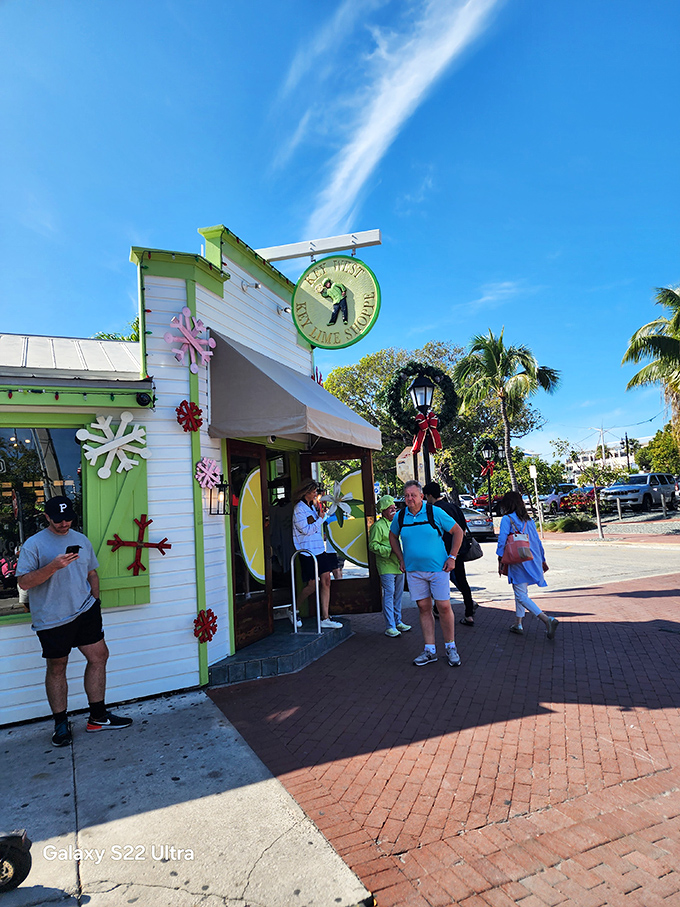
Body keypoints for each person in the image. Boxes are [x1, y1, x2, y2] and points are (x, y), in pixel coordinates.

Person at [16, 496, 133, 748]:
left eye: (68, 518)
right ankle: (60, 723)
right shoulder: (33, 544)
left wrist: (95, 601)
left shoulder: (81, 540)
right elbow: (24, 582)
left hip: (85, 611)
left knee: (99, 656)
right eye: (58, 520)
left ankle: (98, 717)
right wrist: (53, 567)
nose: (64, 523)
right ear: (47, 517)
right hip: (52, 618)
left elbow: (91, 572)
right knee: (57, 667)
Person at [389, 480, 465, 667]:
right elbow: (392, 536)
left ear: (421, 496)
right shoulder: (400, 517)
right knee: (423, 607)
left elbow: (457, 531)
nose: (409, 499)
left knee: (444, 607)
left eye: (413, 495)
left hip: (438, 569)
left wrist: (452, 557)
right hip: (414, 571)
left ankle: (450, 647)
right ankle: (430, 650)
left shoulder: (434, 512)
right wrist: (401, 558)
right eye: (406, 495)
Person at [496, 490, 559, 639]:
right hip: (531, 557)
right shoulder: (528, 520)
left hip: (516, 559)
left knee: (521, 594)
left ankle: (546, 619)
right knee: (521, 592)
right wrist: (542, 559)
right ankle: (518, 623)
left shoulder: (507, 519)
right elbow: (537, 542)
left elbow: (502, 540)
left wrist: (499, 557)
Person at [422, 481, 476, 626]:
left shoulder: (432, 510)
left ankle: (438, 609)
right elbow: (462, 529)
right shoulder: (453, 507)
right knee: (462, 580)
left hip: (440, 552)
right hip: (457, 551)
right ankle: (469, 612)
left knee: (439, 582)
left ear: (429, 495)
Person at [292, 479, 343, 629]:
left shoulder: (312, 506)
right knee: (312, 585)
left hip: (319, 549)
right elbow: (306, 530)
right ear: (306, 492)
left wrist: (321, 515)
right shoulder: (299, 509)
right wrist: (321, 519)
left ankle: (325, 617)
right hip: (307, 551)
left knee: (326, 580)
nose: (316, 494)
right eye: (314, 491)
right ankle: (294, 608)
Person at [368, 495, 411, 637]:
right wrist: (389, 550)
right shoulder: (377, 526)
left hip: (400, 564)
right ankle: (390, 625)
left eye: (394, 507)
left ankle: (398, 621)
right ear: (383, 511)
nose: (394, 510)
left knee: (398, 595)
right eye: (390, 508)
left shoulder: (399, 523)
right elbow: (372, 545)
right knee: (389, 594)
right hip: (386, 565)